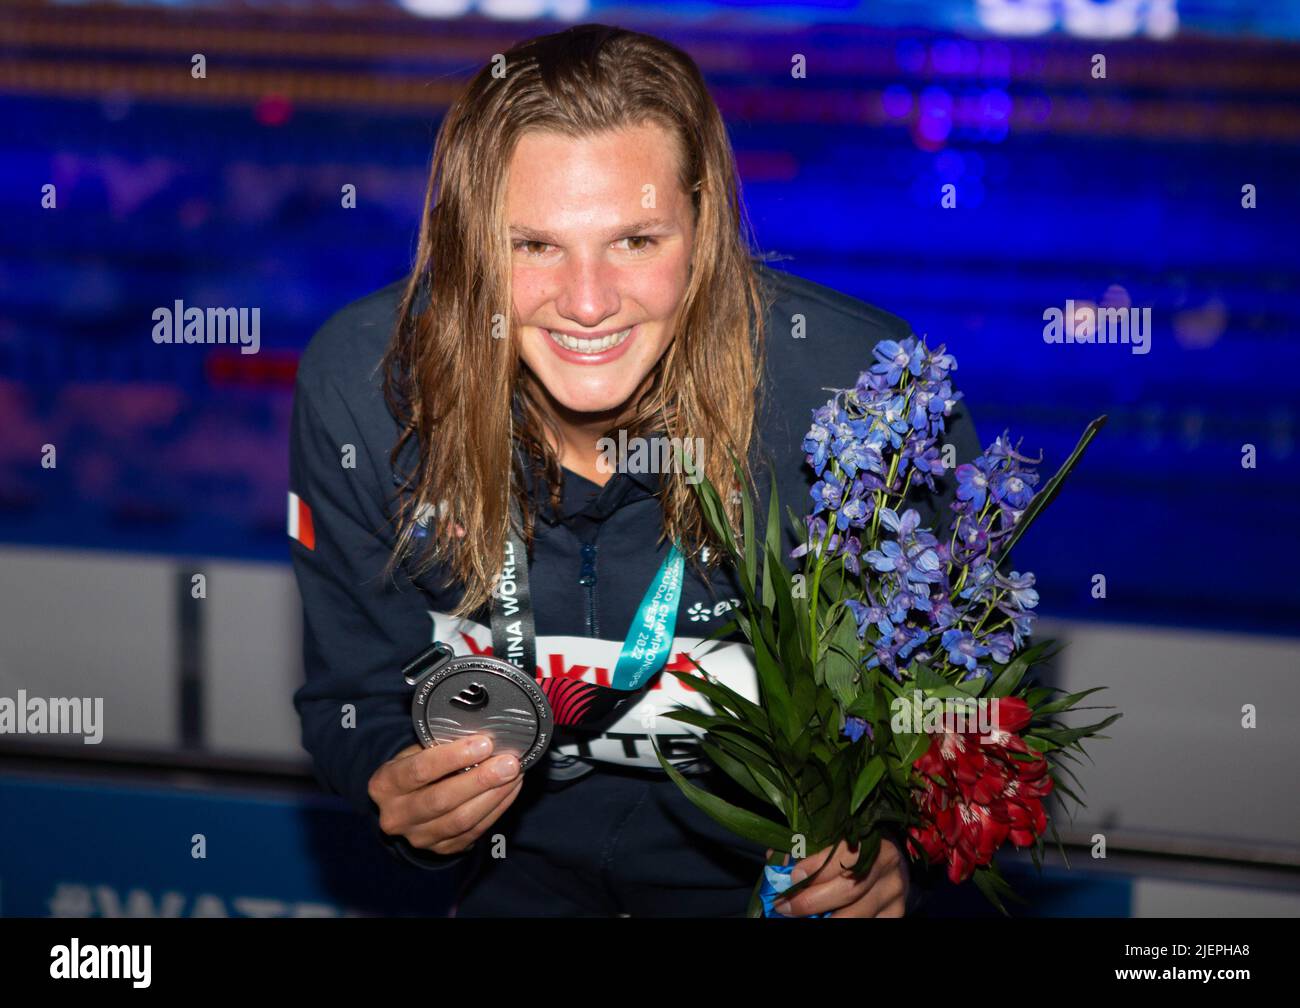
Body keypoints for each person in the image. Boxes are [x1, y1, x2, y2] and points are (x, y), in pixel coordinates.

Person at [288, 23, 985, 917]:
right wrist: (401, 785)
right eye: (532, 245)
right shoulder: (366, 388)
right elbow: (355, 692)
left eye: (635, 241)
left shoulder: (866, 400)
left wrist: (900, 848)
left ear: (706, 225)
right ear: (465, 242)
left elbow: (961, 713)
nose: (586, 303)